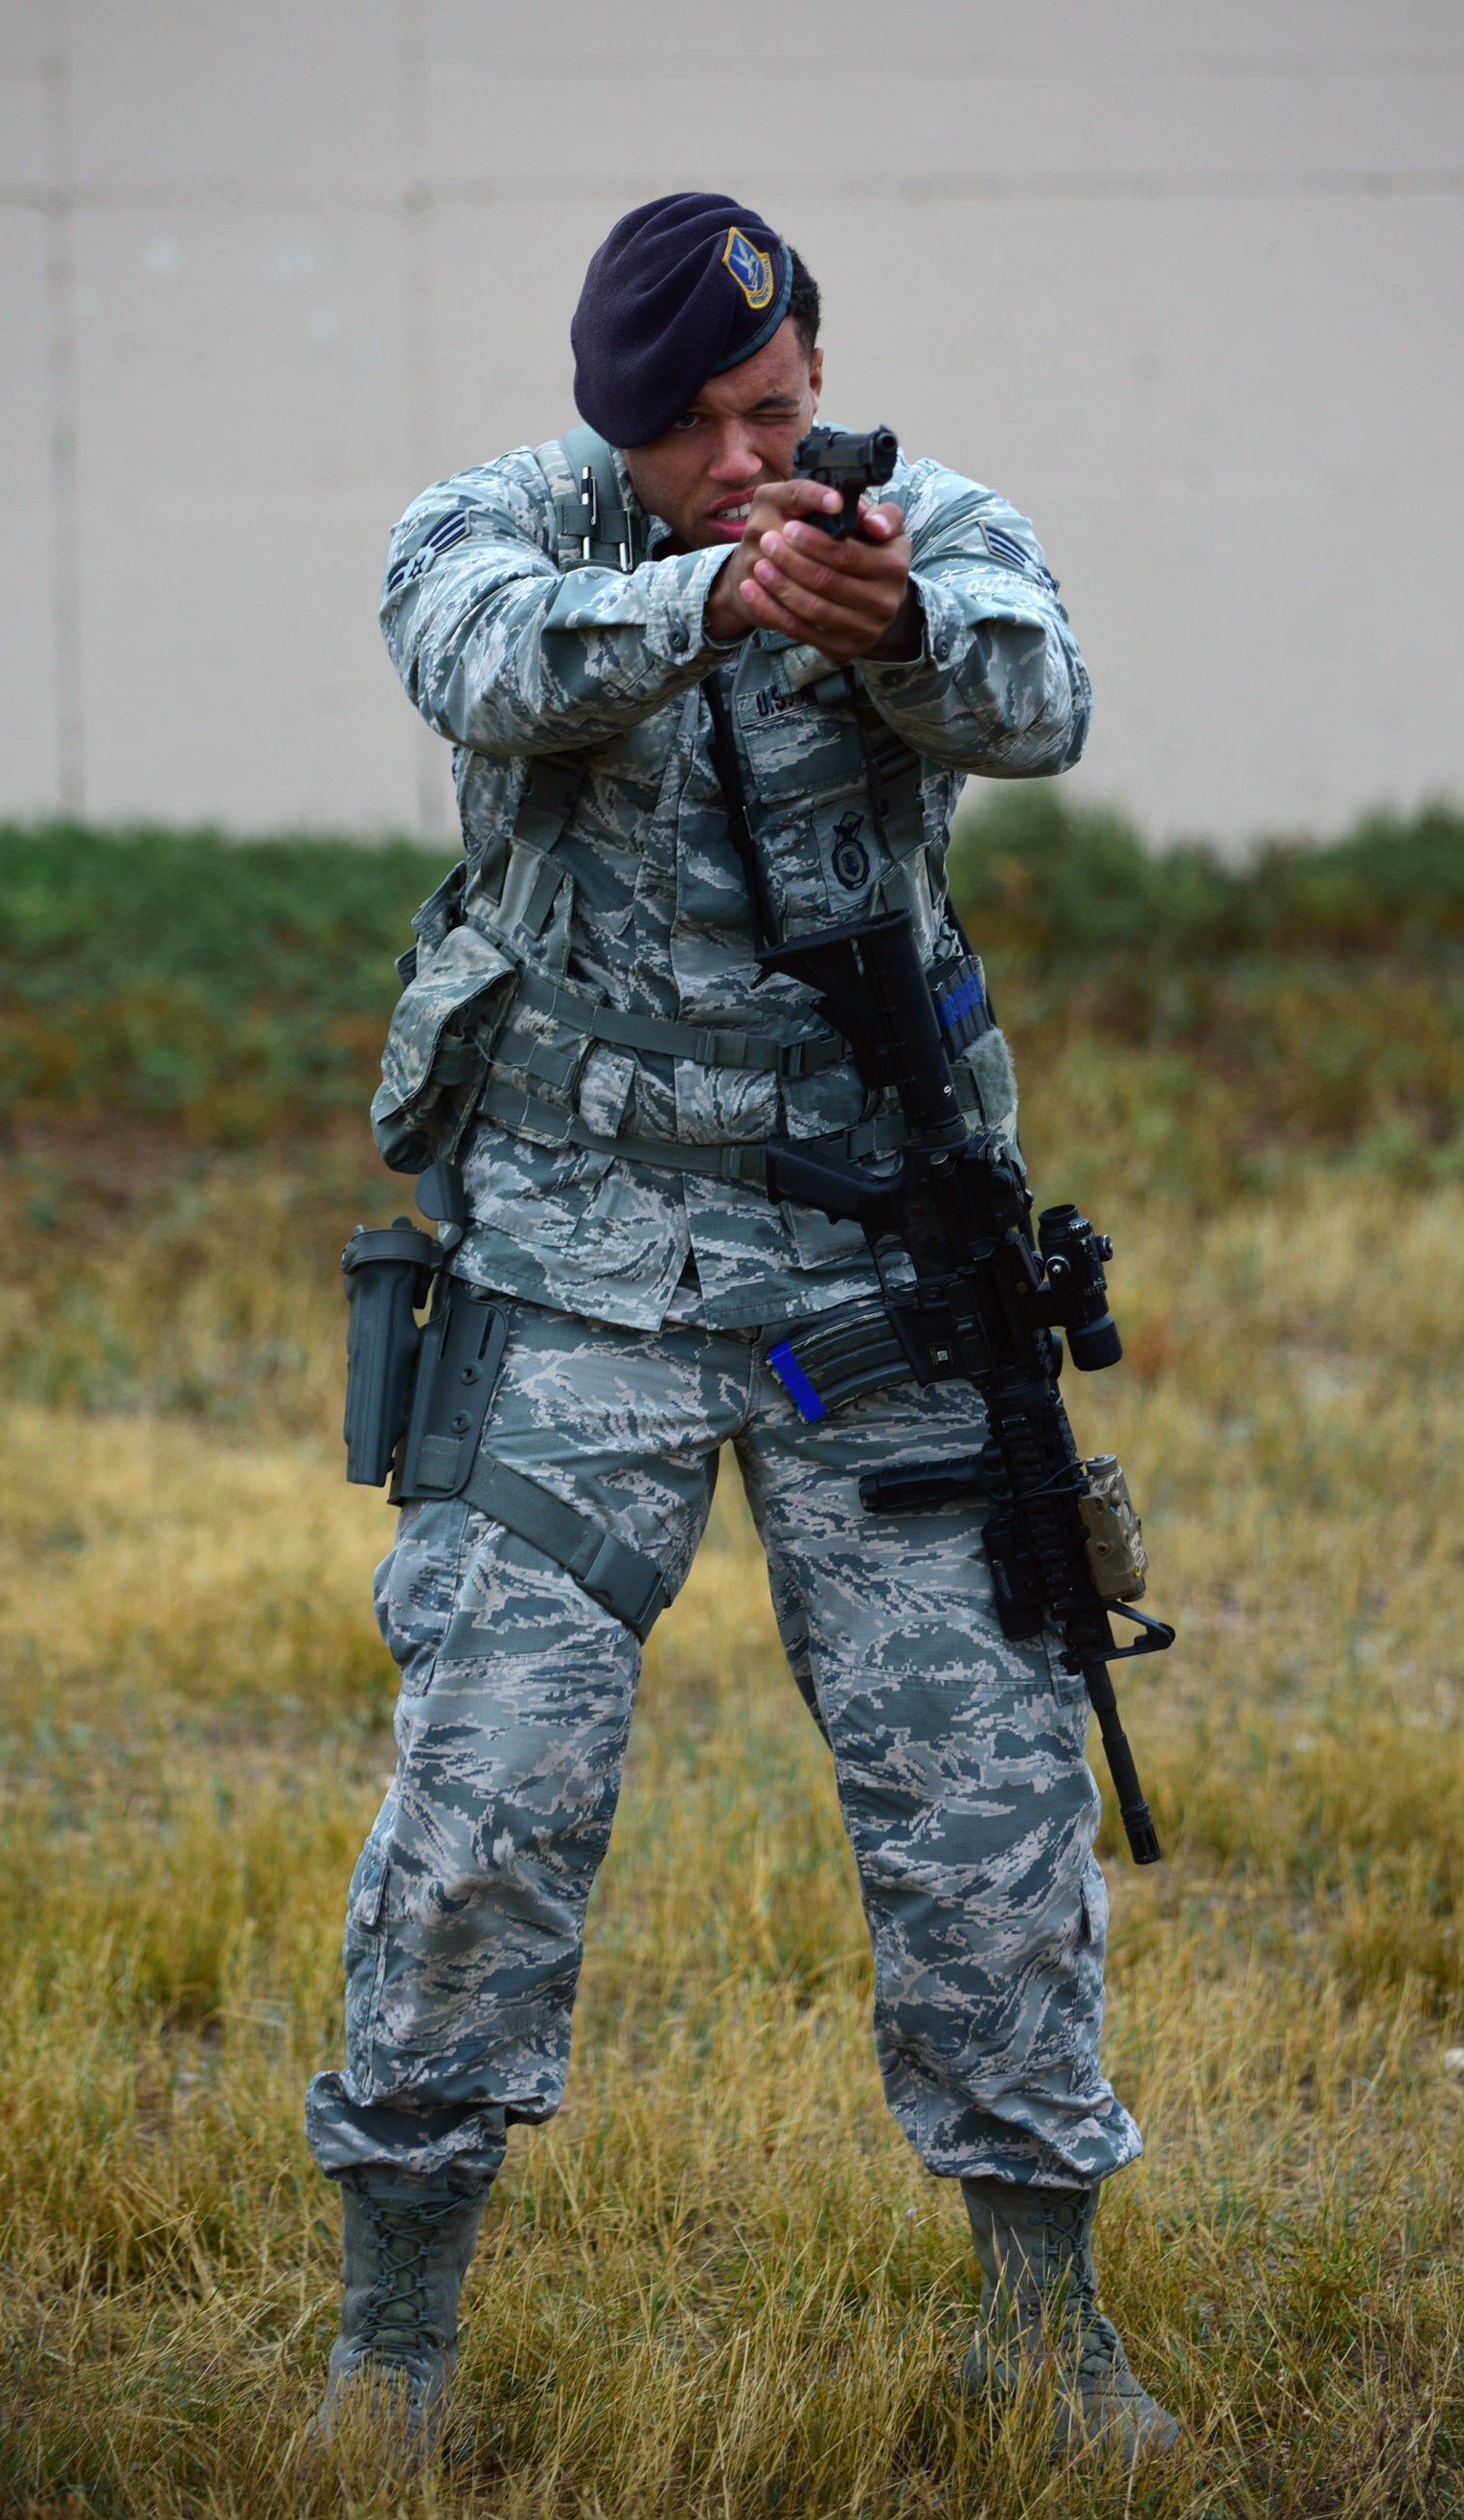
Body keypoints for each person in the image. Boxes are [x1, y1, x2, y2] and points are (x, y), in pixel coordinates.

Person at [304, 193, 1178, 2465]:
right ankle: (391, 2335)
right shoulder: (505, 528)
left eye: (778, 410)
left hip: (865, 1282)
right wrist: (711, 595)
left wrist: (882, 622)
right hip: (572, 1276)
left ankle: (1047, 2327)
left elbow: (1044, 698)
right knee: (489, 1795)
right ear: (624, 424)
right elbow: (485, 661)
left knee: (982, 1798)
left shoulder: (915, 517)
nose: (757, 455)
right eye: (707, 428)